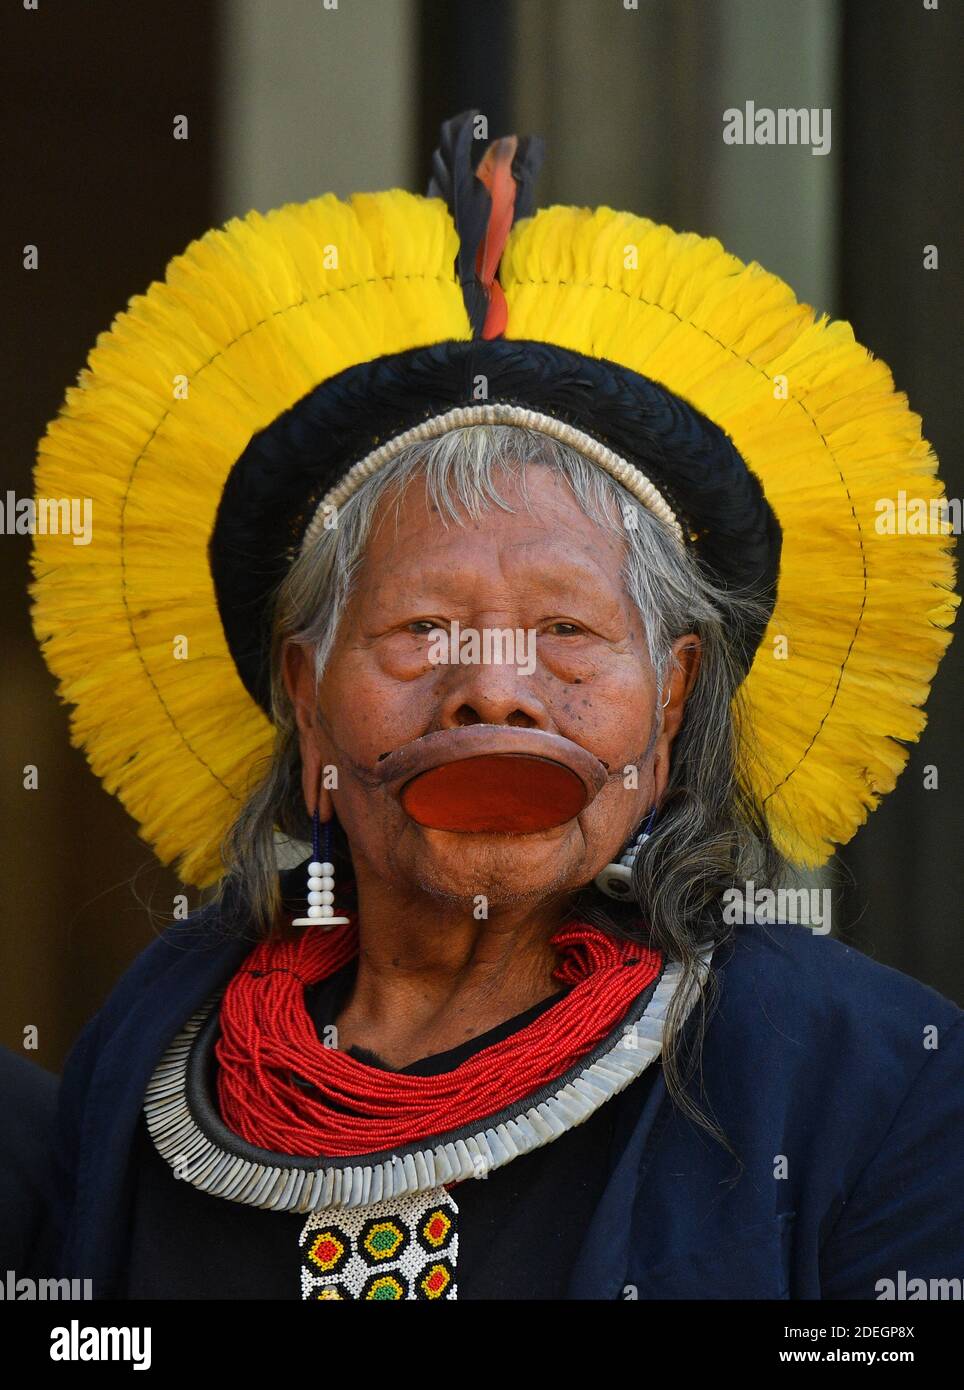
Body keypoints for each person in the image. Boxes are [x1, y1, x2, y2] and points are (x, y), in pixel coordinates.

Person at [31, 112, 961, 1300]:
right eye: (421, 629)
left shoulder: (864, 1076)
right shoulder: (153, 1042)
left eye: (566, 632)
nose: (492, 684)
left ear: (668, 705)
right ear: (308, 705)